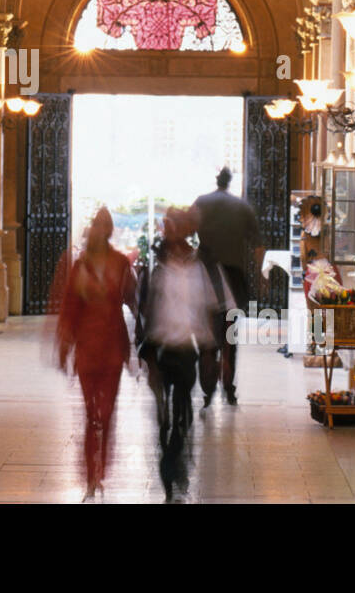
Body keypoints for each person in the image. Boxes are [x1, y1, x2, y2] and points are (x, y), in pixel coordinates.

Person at [55, 207, 137, 501]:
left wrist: (137, 348)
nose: (102, 229)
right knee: (92, 414)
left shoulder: (119, 263)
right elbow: (70, 308)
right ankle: (91, 473)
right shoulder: (81, 266)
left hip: (112, 348)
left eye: (106, 225)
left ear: (110, 229)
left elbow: (131, 299)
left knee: (108, 412)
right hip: (89, 349)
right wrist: (64, 345)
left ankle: (100, 467)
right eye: (98, 224)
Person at [136, 206, 212, 502]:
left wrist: (208, 349)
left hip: (186, 351)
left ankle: (172, 462)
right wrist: (146, 352)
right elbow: (145, 312)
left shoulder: (197, 268)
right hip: (161, 350)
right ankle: (170, 466)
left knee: (182, 415)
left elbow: (203, 309)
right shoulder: (157, 269)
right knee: (163, 418)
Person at [192, 167, 265, 407]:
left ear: (217, 180)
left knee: (208, 335)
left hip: (206, 276)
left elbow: (185, 229)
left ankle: (208, 386)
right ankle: (228, 387)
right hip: (234, 278)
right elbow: (257, 246)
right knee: (230, 336)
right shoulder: (242, 207)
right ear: (230, 182)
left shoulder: (202, 202)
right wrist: (261, 276)